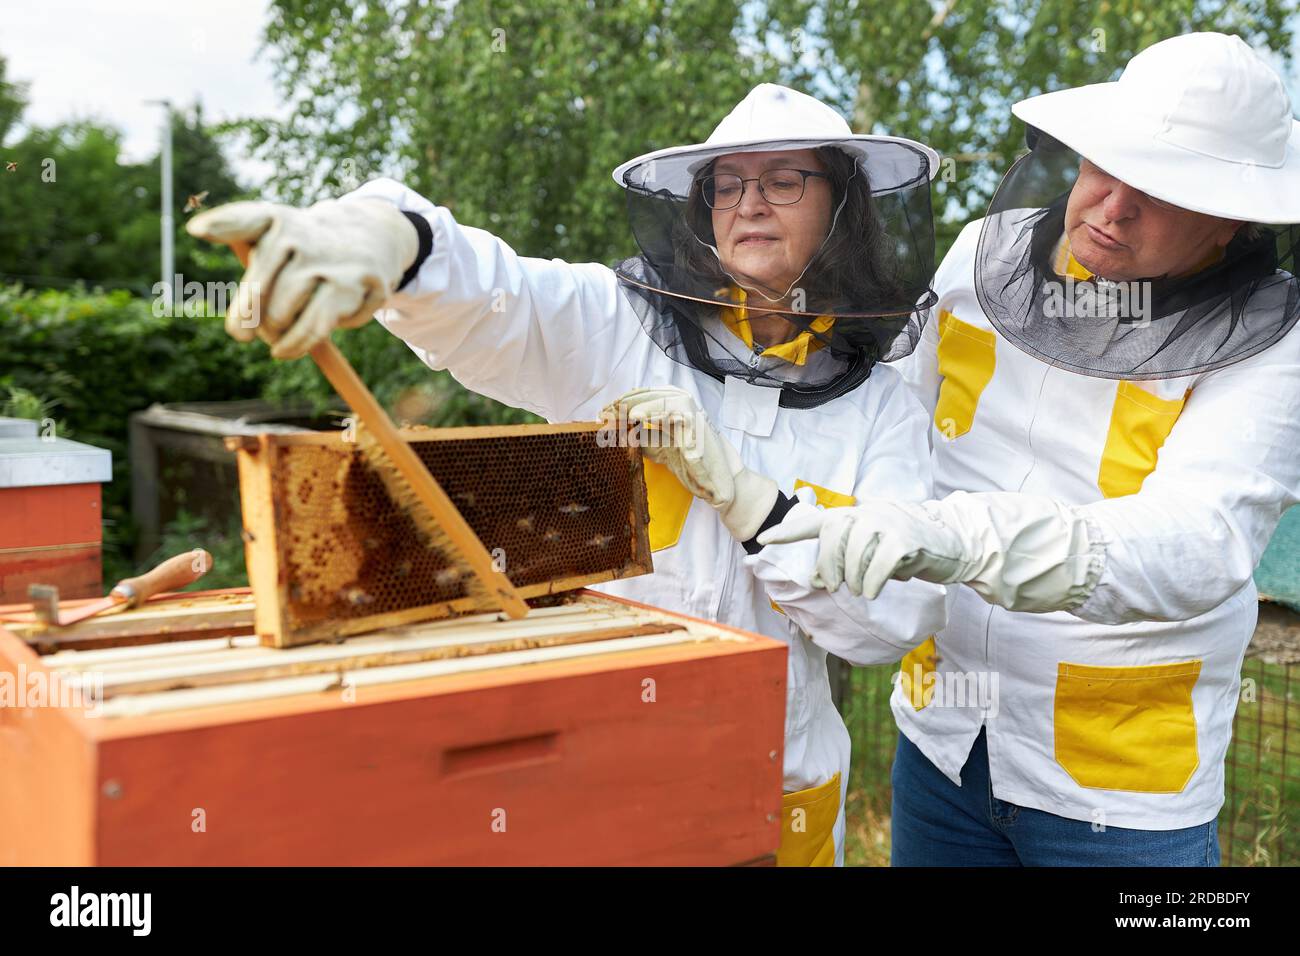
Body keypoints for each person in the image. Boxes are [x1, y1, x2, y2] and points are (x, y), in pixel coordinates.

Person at [189, 83, 947, 865]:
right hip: (603, 769)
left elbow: (892, 620)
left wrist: (749, 502)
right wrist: (393, 236)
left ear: (841, 206)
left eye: (783, 181)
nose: (749, 204)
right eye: (727, 185)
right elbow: (499, 296)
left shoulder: (882, 409)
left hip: (780, 784)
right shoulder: (616, 325)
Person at [761, 32, 1300, 866]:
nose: (1113, 207)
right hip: (943, 735)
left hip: (1116, 790)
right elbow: (889, 415)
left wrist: (957, 536)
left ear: (1230, 219)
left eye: (1161, 191)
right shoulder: (988, 255)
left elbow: (1199, 543)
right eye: (1107, 165)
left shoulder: (1273, 343)